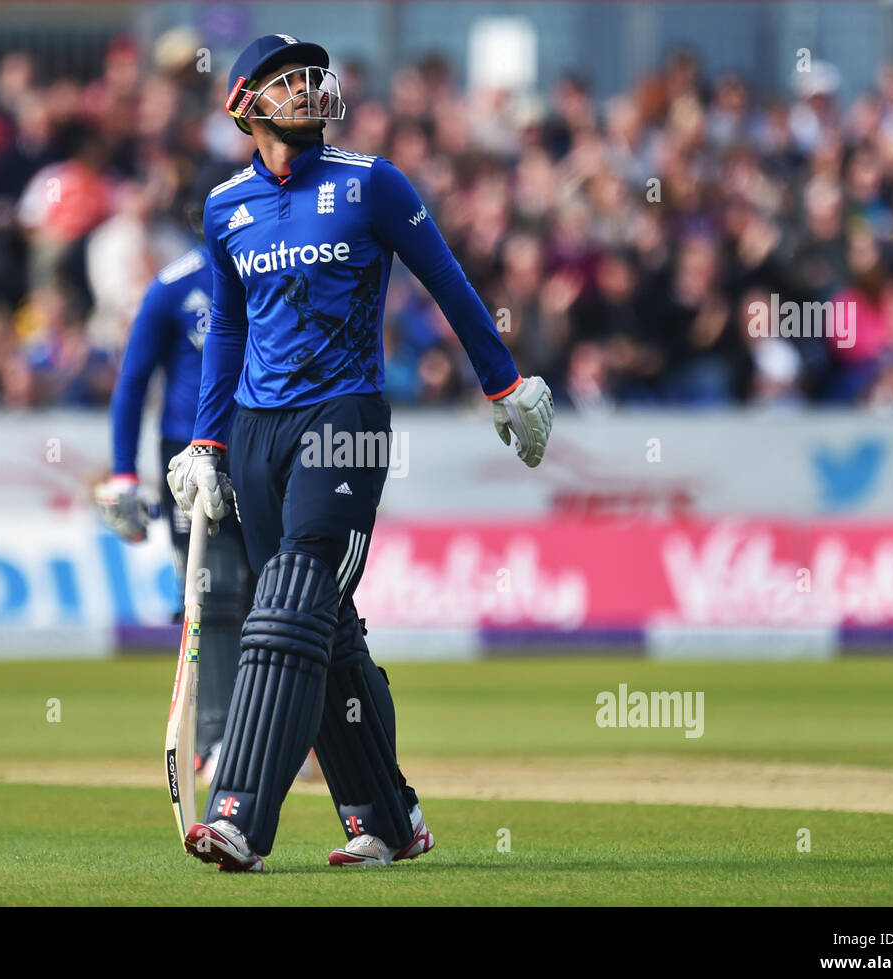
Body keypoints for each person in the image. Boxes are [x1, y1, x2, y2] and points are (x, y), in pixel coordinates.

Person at [166, 34, 553, 872]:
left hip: (343, 416)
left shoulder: (370, 183)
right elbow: (227, 326)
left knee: (293, 593)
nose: (307, 89)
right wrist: (205, 439)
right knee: (324, 628)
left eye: (312, 77)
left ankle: (238, 813)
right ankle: (388, 817)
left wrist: (503, 383)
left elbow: (445, 277)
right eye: (285, 81)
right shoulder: (225, 204)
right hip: (255, 430)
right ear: (244, 104)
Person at [95, 163, 254, 781]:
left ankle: (284, 735)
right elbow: (132, 382)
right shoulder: (173, 286)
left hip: (265, 451)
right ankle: (215, 740)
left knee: (277, 592)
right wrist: (123, 473)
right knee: (212, 595)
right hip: (190, 460)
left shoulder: (273, 272)